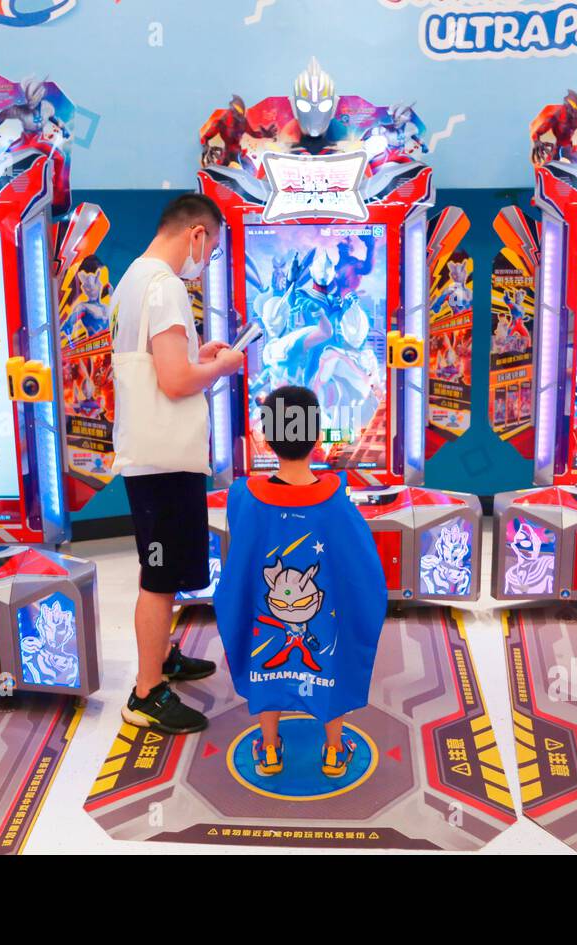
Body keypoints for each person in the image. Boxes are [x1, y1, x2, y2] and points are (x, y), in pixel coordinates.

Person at [113, 193, 245, 734]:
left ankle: (161, 657)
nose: (205, 259)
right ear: (196, 234)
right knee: (159, 577)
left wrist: (198, 358)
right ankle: (146, 692)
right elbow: (173, 382)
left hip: (154, 453)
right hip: (162, 459)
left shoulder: (134, 279)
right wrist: (224, 366)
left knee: (161, 570)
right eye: (209, 247)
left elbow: (160, 365)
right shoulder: (165, 286)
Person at [213, 386, 387, 778]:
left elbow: (240, 562)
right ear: (316, 435)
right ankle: (334, 749)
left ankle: (270, 748)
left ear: (267, 436)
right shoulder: (337, 497)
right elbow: (363, 569)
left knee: (265, 666)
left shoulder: (242, 496)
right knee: (332, 663)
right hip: (324, 621)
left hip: (263, 620)